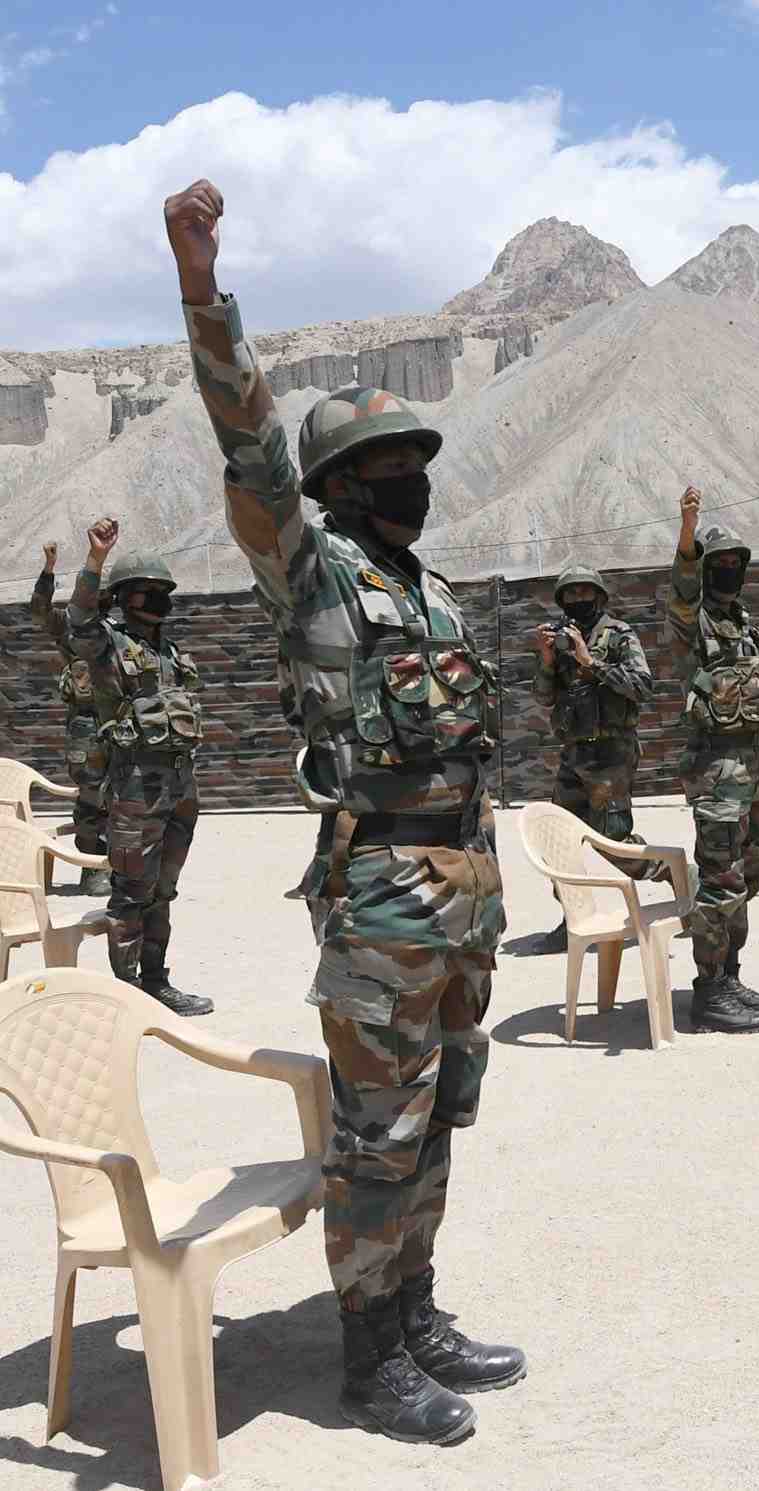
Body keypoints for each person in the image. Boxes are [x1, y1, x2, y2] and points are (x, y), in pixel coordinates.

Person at [167, 178, 525, 1446]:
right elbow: (250, 444)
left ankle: (415, 1309)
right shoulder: (315, 580)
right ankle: (369, 1357)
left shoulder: (427, 595)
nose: (408, 480)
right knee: (377, 1140)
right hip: (380, 906)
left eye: (415, 462)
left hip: (461, 904)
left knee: (437, 1127)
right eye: (383, 466)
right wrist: (206, 294)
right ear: (336, 485)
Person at [63, 523, 210, 1017]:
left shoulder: (169, 652)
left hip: (180, 786)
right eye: (149, 590)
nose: (160, 598)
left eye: (164, 590)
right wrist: (95, 559)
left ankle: (156, 982)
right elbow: (79, 616)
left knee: (163, 891)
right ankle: (128, 997)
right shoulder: (106, 645)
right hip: (133, 788)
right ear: (126, 597)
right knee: (131, 893)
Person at [666, 484, 759, 1033]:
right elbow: (684, 587)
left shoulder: (742, 621)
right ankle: (709, 991)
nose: (729, 569)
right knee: (719, 880)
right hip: (716, 771)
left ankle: (730, 975)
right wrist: (689, 529)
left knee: (748, 875)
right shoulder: (693, 623)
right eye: (721, 562)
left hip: (751, 767)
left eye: (738, 561)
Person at [531, 560, 664, 948]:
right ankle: (572, 917)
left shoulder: (619, 635)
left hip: (612, 753)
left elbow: (642, 685)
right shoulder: (559, 638)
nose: (578, 599)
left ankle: (670, 873)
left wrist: (592, 663)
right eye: (570, 593)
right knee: (558, 840)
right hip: (574, 753)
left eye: (585, 592)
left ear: (600, 595)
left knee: (613, 838)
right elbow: (542, 697)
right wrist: (546, 660)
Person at [30, 539, 113, 896]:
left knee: (125, 794)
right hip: (86, 725)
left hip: (120, 723)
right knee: (91, 796)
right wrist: (49, 570)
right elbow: (38, 611)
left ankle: (118, 867)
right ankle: (92, 868)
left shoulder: (116, 633)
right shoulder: (69, 630)